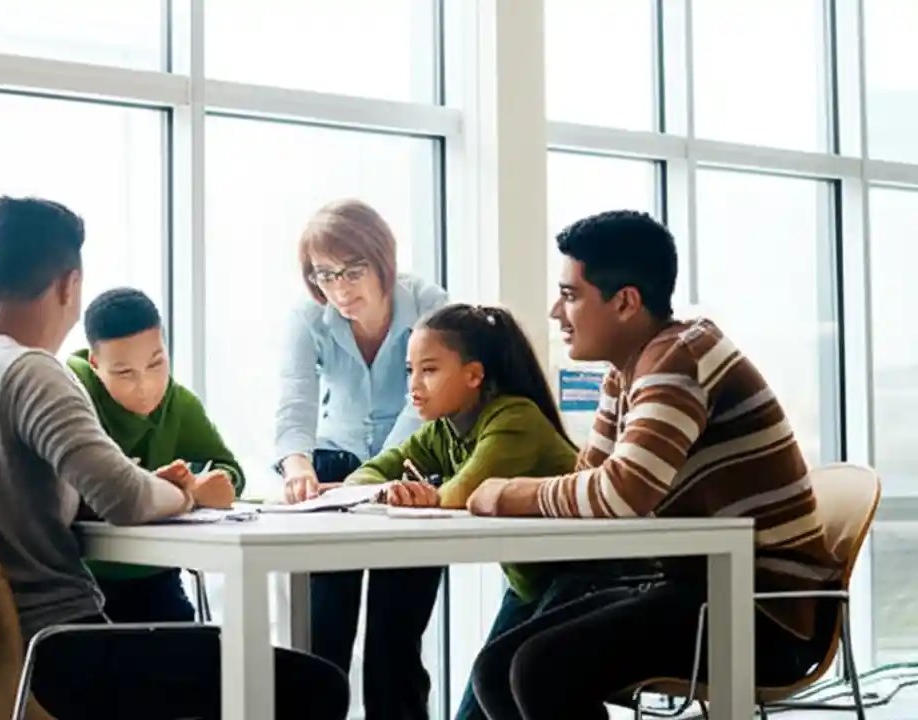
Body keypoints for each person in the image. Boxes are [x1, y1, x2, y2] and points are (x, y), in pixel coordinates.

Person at [0, 196, 349, 719]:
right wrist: (181, 490)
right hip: (60, 652)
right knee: (314, 685)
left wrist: (141, 485)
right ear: (69, 285)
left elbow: (54, 496)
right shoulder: (34, 372)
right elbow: (127, 500)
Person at [464, 210, 838, 719]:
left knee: (540, 667)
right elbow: (588, 484)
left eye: (571, 295)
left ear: (625, 302)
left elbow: (621, 494)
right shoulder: (628, 371)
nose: (556, 311)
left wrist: (506, 493)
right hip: (698, 592)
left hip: (764, 614)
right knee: (498, 666)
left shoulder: (679, 358)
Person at [337, 304, 640, 719]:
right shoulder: (441, 432)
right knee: (485, 696)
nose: (414, 385)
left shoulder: (515, 417)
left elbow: (464, 491)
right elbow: (366, 475)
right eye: (410, 371)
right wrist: (387, 489)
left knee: (507, 679)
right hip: (532, 583)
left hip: (591, 576)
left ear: (474, 375)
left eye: (429, 370)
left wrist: (419, 493)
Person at [275, 198, 448, 718]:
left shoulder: (429, 305)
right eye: (324, 275)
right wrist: (297, 464)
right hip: (332, 470)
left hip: (415, 474)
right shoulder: (309, 318)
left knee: (395, 643)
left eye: (353, 271)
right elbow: (294, 399)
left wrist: (375, 477)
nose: (340, 289)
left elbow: (432, 404)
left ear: (382, 260)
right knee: (323, 639)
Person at [67, 286, 244, 623]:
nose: (145, 385)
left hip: (156, 575)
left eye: (156, 363)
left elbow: (229, 469)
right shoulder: (70, 393)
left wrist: (208, 484)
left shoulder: (178, 402)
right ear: (95, 363)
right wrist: (158, 490)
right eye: (124, 373)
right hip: (84, 576)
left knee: (196, 655)